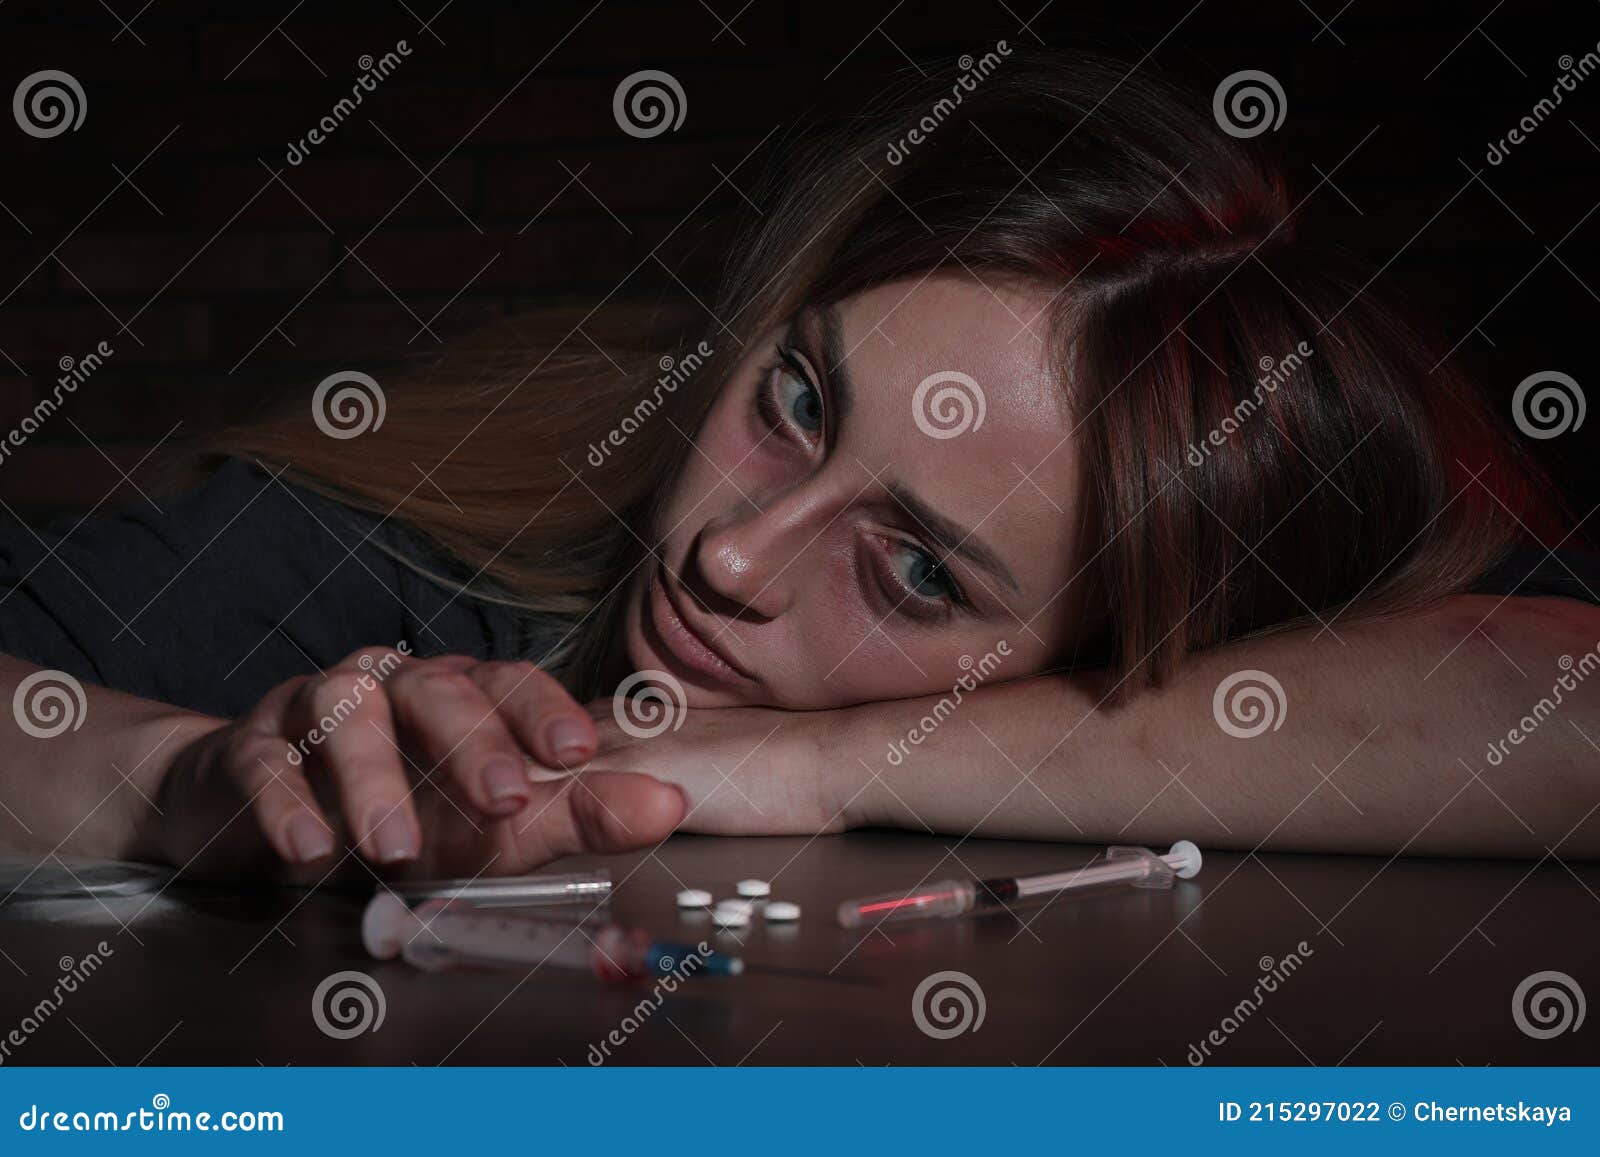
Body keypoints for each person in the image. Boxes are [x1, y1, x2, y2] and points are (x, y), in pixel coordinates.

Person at [2, 49, 1597, 883]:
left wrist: (805, 767)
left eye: (915, 568)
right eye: (797, 401)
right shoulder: (463, 540)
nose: (731, 554)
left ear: (1118, 643)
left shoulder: (1259, 663)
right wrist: (187, 784)